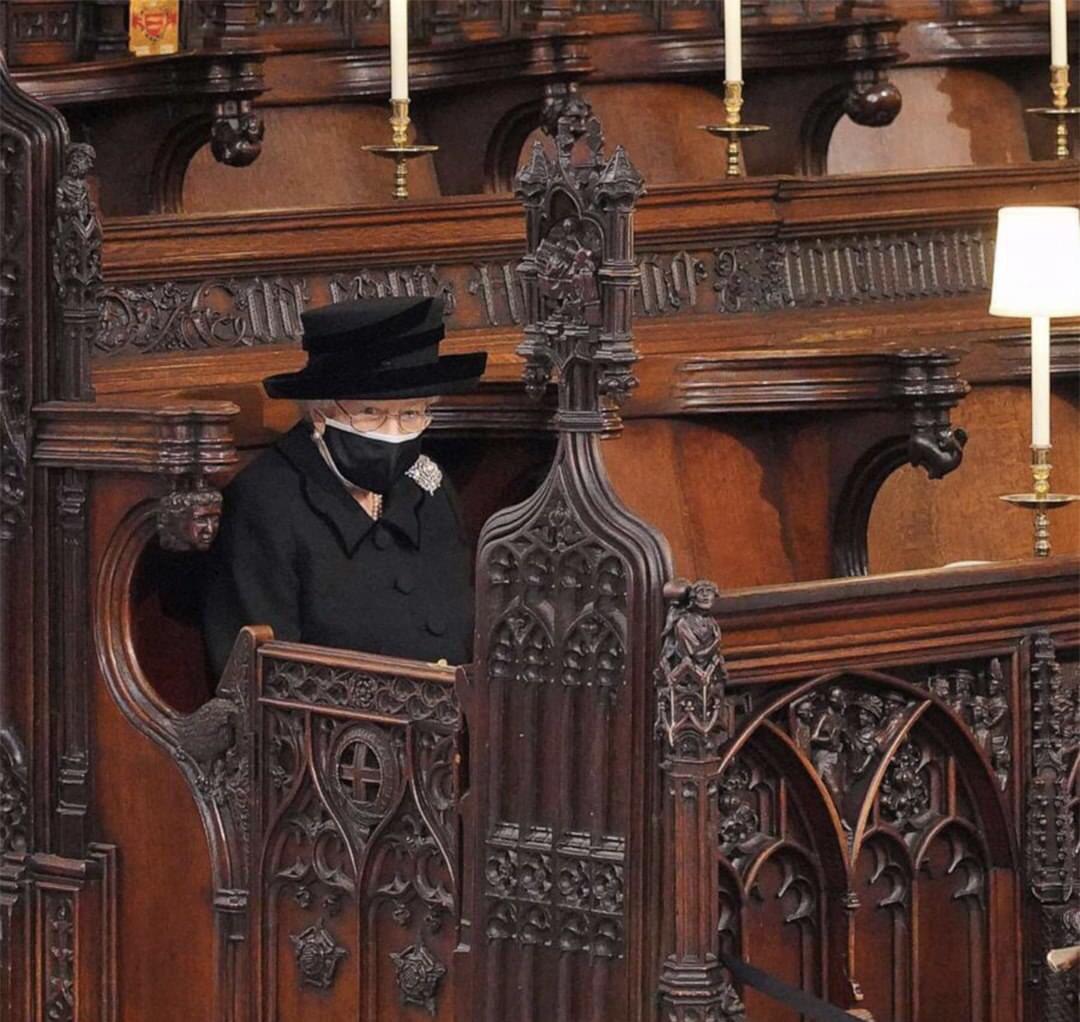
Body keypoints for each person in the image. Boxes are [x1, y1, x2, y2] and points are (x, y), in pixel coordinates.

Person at [202, 295, 486, 677]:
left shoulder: (429, 487)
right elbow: (259, 679)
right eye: (371, 413)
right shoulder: (266, 503)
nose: (394, 434)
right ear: (320, 413)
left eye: (411, 413)